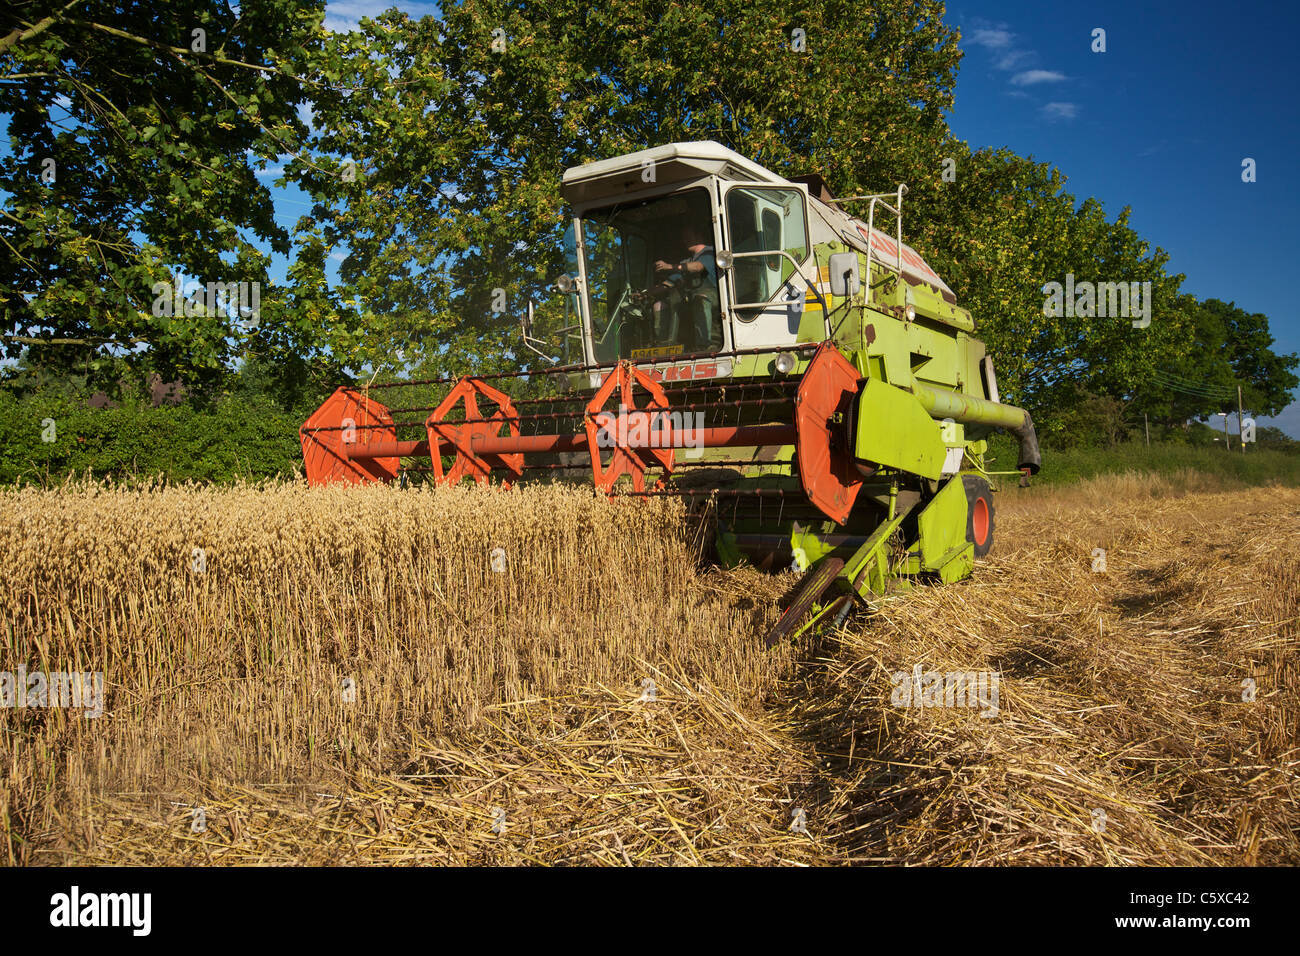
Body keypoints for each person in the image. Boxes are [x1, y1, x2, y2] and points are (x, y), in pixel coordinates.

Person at [643, 221, 720, 350]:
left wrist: (670, 266)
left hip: (714, 296)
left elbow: (698, 267)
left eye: (687, 235)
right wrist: (645, 293)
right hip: (690, 299)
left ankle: (705, 344)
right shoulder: (686, 262)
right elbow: (668, 284)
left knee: (701, 298)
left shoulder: (711, 252)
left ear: (698, 235)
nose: (685, 240)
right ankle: (663, 345)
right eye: (684, 237)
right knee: (659, 304)